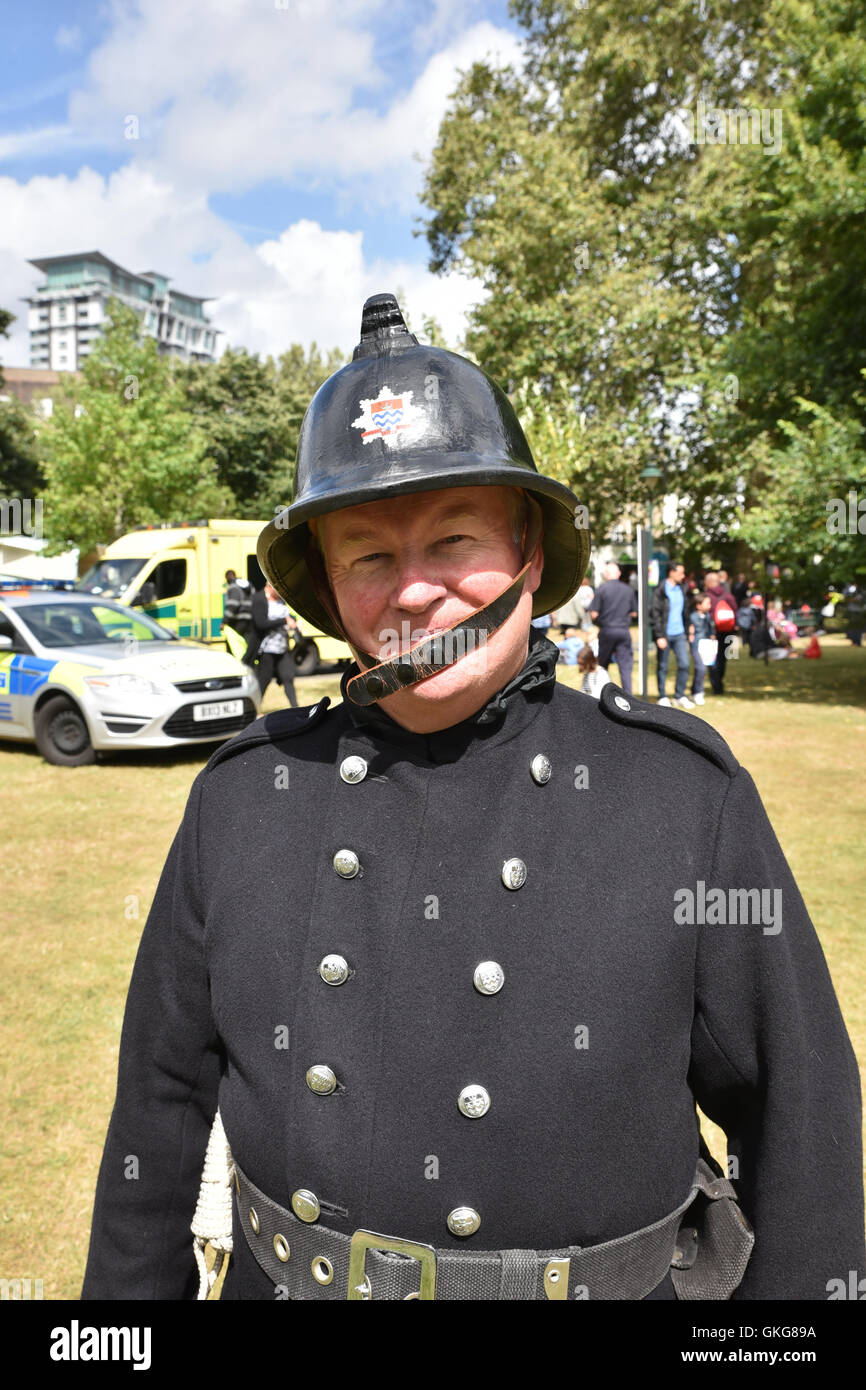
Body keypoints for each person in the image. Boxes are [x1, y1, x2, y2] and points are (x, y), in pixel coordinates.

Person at [81, 292, 863, 1302]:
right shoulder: (245, 797)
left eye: (453, 540)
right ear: (325, 585)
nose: (412, 590)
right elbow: (156, 1108)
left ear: (528, 554)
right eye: (368, 552)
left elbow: (799, 1119)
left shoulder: (676, 795)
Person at [650, 561, 695, 710]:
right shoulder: (661, 590)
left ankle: (679, 695)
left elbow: (686, 611)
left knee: (684, 664)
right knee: (663, 666)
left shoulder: (683, 588)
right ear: (671, 572)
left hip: (680, 633)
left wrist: (689, 629)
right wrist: (659, 635)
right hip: (665, 634)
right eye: (680, 573)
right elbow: (655, 614)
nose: (683, 576)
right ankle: (662, 696)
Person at [246, 582, 298, 706]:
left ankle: (297, 709)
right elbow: (261, 623)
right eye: (277, 589)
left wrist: (294, 621)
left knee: (288, 677)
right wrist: (284, 621)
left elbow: (287, 615)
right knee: (263, 680)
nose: (280, 592)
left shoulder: (281, 600)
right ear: (269, 586)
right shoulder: (259, 599)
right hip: (266, 649)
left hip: (282, 648)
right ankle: (255, 709)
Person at [588, 562, 637, 694]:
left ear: (605, 575)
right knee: (625, 666)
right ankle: (628, 695)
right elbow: (634, 612)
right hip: (623, 631)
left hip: (607, 630)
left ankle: (601, 693)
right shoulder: (628, 590)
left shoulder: (601, 589)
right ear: (619, 574)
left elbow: (593, 614)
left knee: (602, 665)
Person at [704, 570, 737, 695]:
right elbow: (735, 611)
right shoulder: (728, 596)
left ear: (708, 583)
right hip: (727, 631)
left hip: (711, 632)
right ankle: (720, 682)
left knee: (711, 658)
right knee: (722, 658)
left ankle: (716, 685)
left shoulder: (706, 597)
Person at [689, 592, 714, 706]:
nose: (710, 605)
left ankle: (694, 691)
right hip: (696, 646)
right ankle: (699, 692)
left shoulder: (708, 616)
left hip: (706, 646)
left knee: (701, 668)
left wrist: (712, 635)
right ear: (698, 605)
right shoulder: (693, 617)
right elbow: (691, 629)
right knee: (701, 668)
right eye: (707, 603)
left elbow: (710, 629)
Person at [223, 569, 254, 641]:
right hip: (249, 619)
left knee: (236, 643)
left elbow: (233, 605)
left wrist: (225, 621)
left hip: (238, 620)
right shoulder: (248, 585)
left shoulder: (233, 586)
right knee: (246, 642)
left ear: (227, 577)